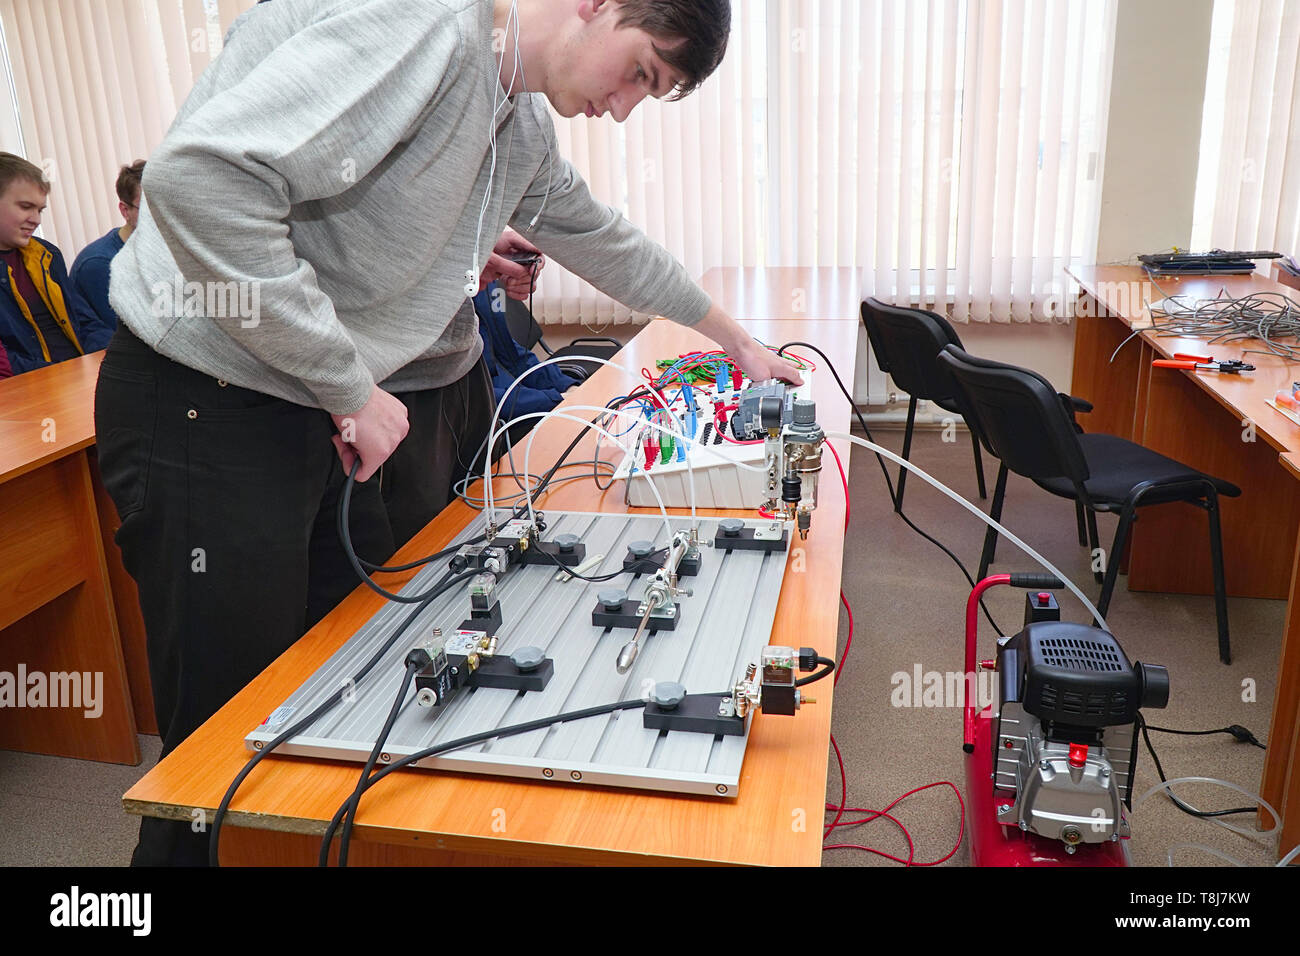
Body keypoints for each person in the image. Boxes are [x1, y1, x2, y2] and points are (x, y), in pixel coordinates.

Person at [97, 0, 800, 866]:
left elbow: (604, 240)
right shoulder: (424, 27)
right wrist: (348, 382)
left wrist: (735, 341)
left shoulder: (520, 119)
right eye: (639, 74)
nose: (623, 108)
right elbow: (199, 182)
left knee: (331, 710)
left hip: (305, 403)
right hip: (206, 393)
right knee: (219, 755)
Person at [0, 153, 112, 374]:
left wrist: (110, 354)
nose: (36, 219)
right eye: (25, 206)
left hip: (78, 376)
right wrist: (64, 374)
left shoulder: (46, 254)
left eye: (40, 210)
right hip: (36, 387)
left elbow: (83, 320)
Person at [70, 160, 145, 332]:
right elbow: (134, 333)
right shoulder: (99, 263)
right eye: (149, 209)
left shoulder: (163, 251)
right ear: (125, 211)